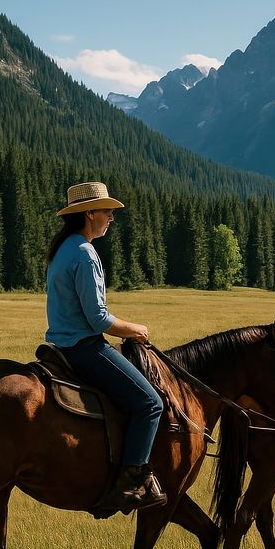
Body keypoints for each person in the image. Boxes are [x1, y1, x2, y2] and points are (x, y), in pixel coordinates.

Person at [46, 182, 167, 513]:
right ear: (89, 214)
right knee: (150, 403)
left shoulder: (64, 248)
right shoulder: (85, 253)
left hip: (61, 346)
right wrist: (135, 329)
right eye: (107, 212)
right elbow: (98, 319)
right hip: (84, 347)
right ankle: (129, 484)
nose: (112, 218)